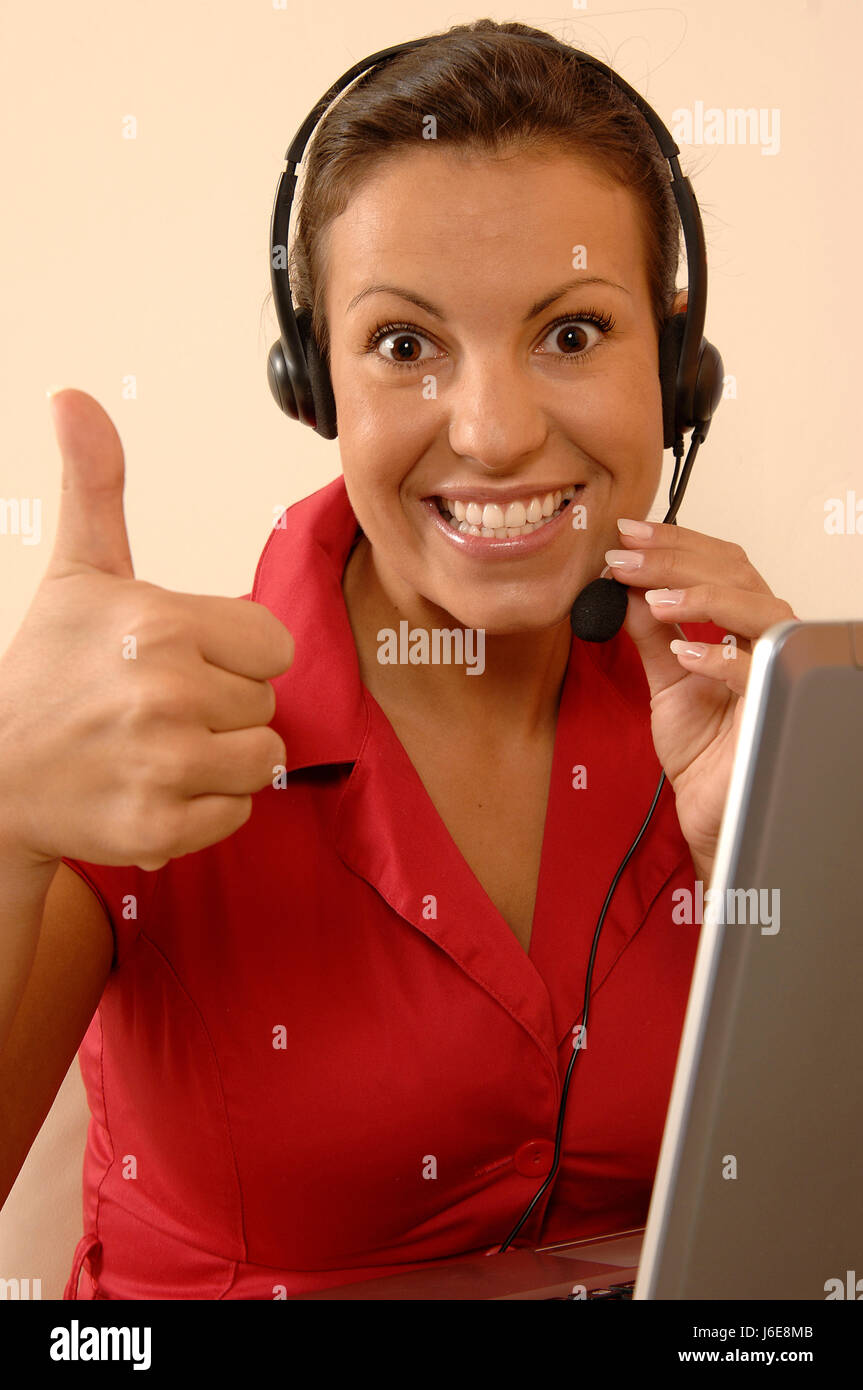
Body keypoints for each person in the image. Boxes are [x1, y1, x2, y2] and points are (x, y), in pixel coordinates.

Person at [0, 19, 795, 1299]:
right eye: (406, 345)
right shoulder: (140, 724)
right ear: (313, 380)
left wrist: (802, 866)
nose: (491, 432)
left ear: (680, 376)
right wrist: (3, 813)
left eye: (574, 333)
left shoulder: (746, 705)